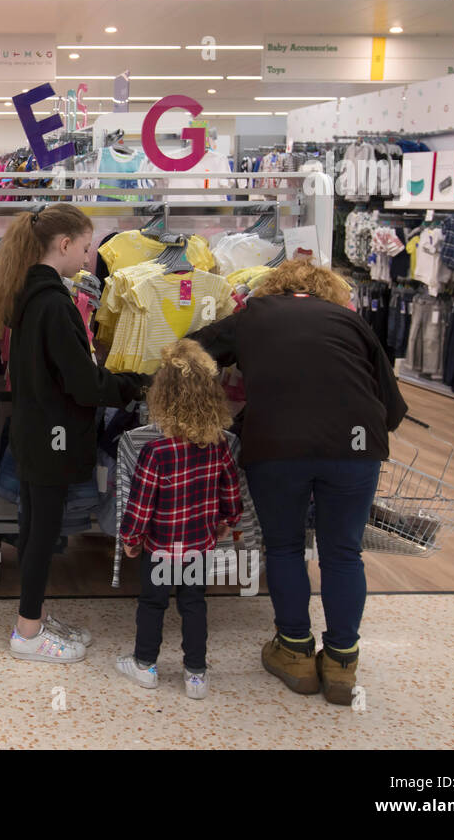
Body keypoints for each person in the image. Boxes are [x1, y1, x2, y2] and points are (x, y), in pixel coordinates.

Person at [189, 259, 407, 705]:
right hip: (355, 444)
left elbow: (187, 353)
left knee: (285, 547)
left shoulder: (253, 315)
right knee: (344, 552)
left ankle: (294, 652)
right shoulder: (350, 321)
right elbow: (393, 405)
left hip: (277, 444)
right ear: (328, 291)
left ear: (274, 287)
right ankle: (342, 663)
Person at [0, 203, 145, 663]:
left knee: (37, 529)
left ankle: (32, 618)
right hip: (52, 433)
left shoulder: (31, 295)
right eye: (88, 246)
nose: (91, 256)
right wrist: (132, 384)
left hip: (37, 430)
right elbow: (82, 382)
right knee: (41, 533)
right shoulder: (53, 302)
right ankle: (28, 633)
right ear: (65, 244)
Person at [115, 339, 244, 700]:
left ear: (163, 398)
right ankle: (196, 675)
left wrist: (131, 538)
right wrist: (228, 521)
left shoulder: (156, 451)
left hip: (159, 548)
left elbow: (141, 504)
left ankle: (145, 666)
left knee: (152, 604)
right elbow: (230, 492)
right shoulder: (218, 444)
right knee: (194, 605)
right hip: (198, 547)